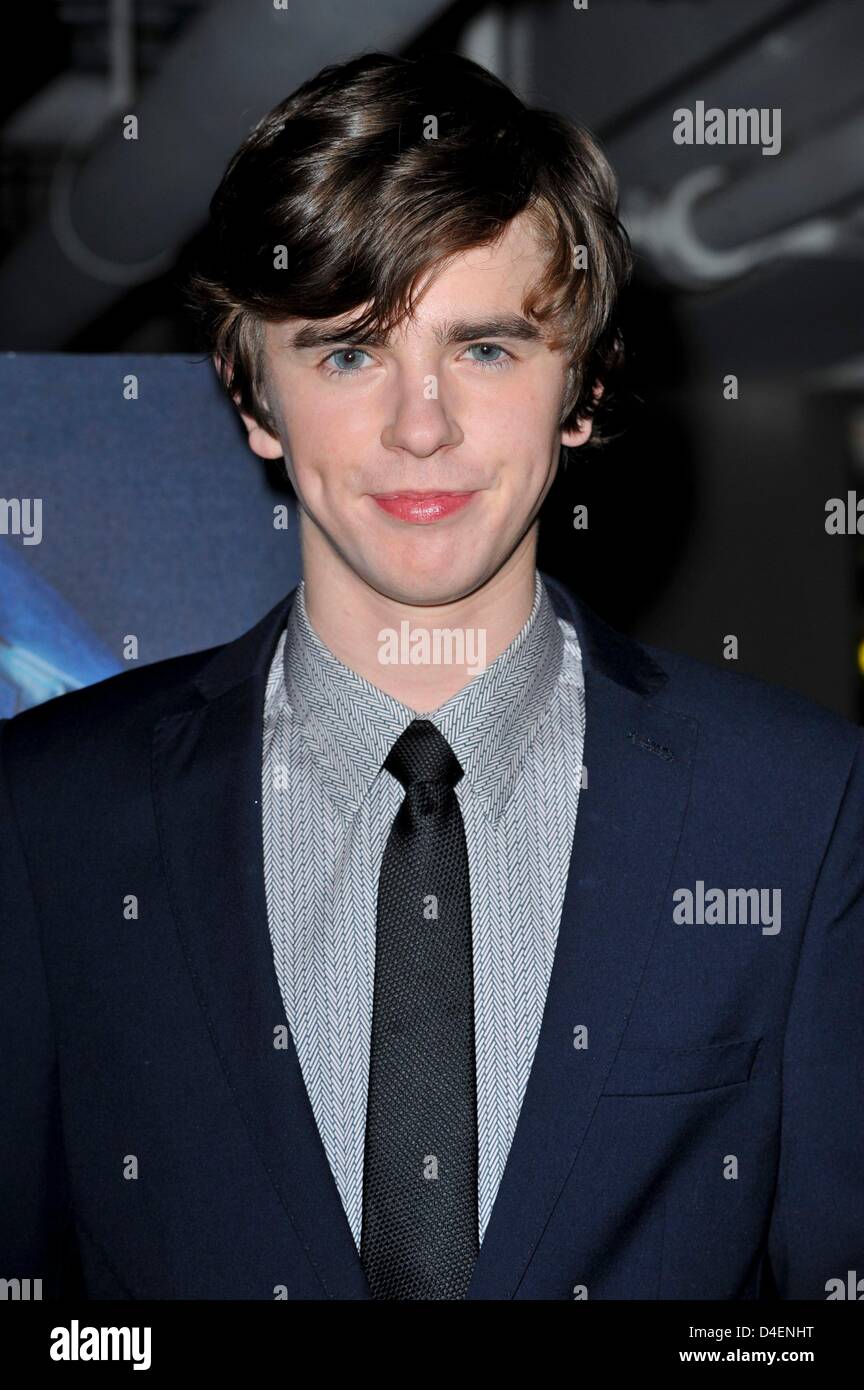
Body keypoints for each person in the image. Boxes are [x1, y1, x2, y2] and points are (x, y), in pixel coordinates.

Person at [1, 49, 862, 1302]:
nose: (421, 426)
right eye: (349, 353)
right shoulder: (48, 814)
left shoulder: (797, 808)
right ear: (252, 394)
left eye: (487, 349)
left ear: (584, 387)